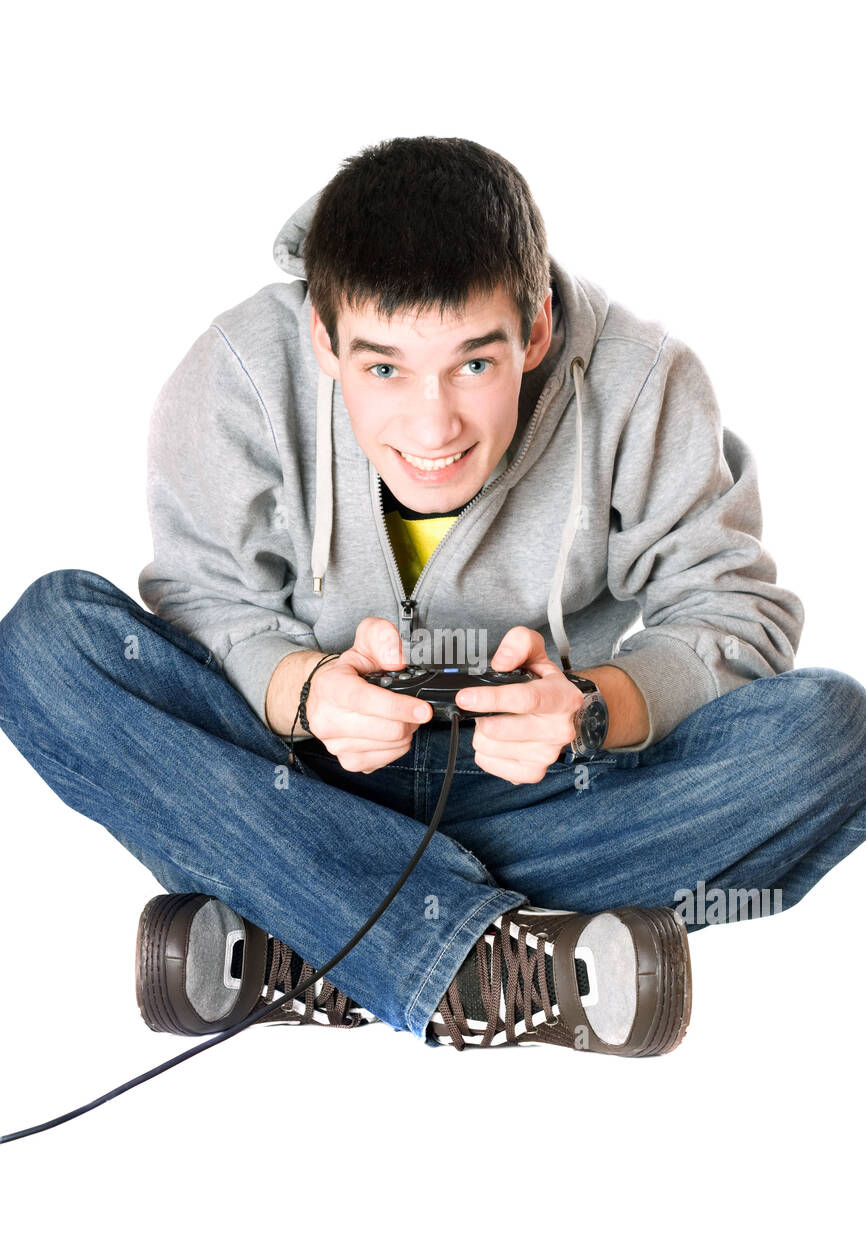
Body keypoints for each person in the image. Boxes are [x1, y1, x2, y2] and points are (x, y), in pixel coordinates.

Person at [2, 135, 865, 1060]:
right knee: (46, 641)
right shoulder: (238, 374)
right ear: (322, 340)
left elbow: (734, 616)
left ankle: (305, 934)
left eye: (474, 365)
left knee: (833, 733)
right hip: (295, 780)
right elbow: (203, 604)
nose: (432, 425)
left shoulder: (642, 380)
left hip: (545, 792)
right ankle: (493, 965)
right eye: (383, 369)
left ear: (533, 329)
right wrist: (301, 690)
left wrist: (590, 711)